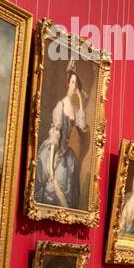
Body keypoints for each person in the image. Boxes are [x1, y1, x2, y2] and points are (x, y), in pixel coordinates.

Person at [33, 64, 87, 210]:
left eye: (76, 84)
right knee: (52, 185)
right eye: (72, 82)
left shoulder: (75, 109)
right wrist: (50, 166)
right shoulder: (60, 106)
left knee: (71, 182)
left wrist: (80, 100)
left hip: (66, 153)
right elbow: (55, 137)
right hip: (54, 151)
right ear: (68, 83)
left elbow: (82, 127)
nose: (74, 86)